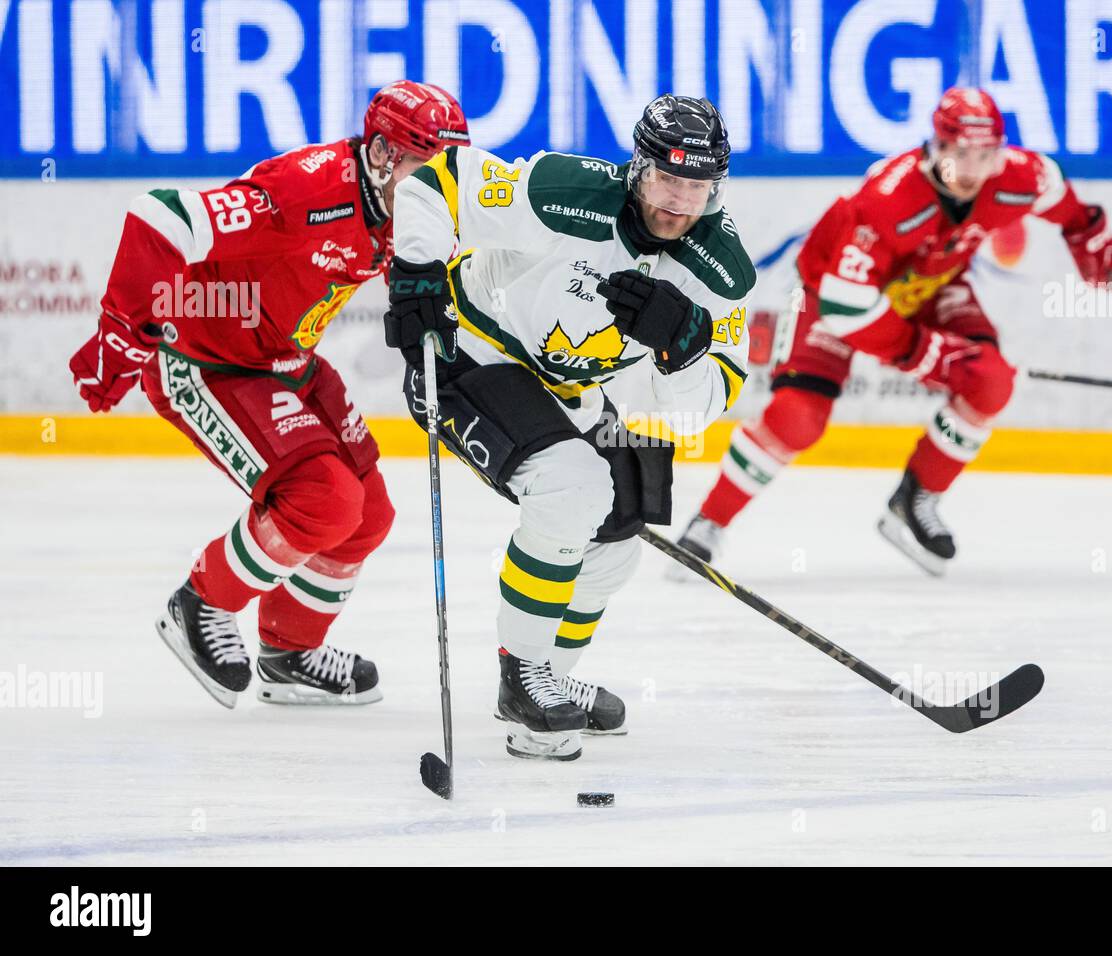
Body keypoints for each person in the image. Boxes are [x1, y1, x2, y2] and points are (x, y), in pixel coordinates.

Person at [68, 82, 471, 707]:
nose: (439, 181)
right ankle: (200, 602)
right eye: (427, 164)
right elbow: (162, 215)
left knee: (366, 514)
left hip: (284, 358)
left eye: (448, 165)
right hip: (207, 360)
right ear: (385, 153)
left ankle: (289, 649)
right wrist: (122, 331)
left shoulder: (408, 203)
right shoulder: (308, 191)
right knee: (324, 500)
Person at [385, 94, 754, 760]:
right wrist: (417, 272)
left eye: (697, 187)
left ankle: (546, 685)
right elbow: (435, 180)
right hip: (470, 352)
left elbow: (698, 409)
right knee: (573, 484)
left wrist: (683, 349)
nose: (679, 201)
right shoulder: (566, 193)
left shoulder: (720, 271)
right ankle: (520, 674)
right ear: (638, 168)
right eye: (669, 179)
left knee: (620, 534)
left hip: (568, 395)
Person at [675, 87, 1112, 576]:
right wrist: (923, 351)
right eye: (960, 155)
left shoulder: (1018, 173)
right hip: (829, 294)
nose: (972, 170)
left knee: (991, 381)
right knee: (797, 416)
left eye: (986, 154)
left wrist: (1087, 234)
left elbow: (1060, 194)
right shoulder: (888, 198)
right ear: (937, 148)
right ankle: (707, 523)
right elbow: (846, 307)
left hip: (927, 286)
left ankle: (913, 503)